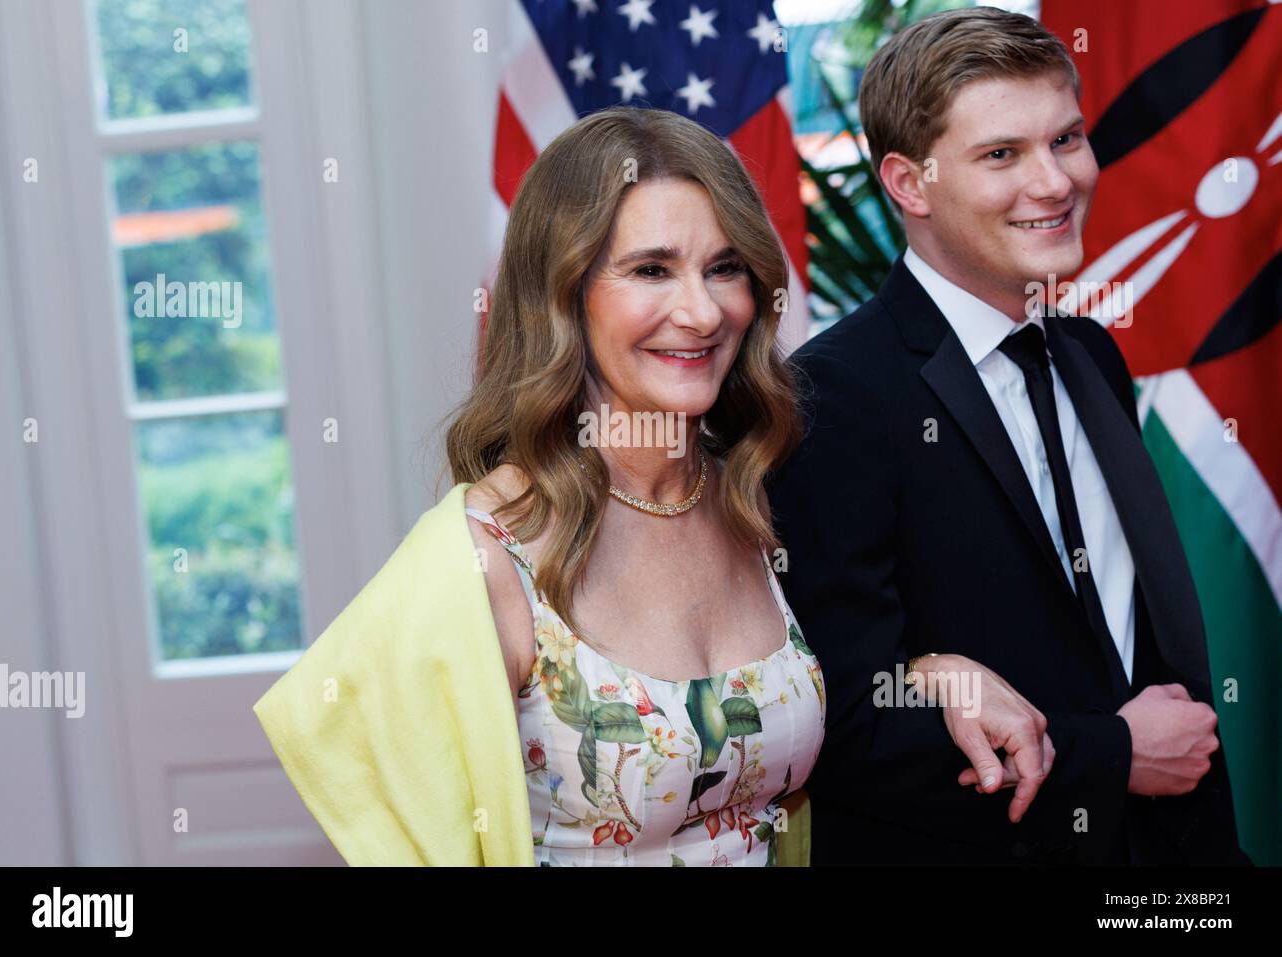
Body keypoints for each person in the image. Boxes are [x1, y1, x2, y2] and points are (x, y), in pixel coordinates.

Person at [254, 105, 1052, 866]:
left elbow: (831, 694)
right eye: (651, 270)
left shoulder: (758, 495)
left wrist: (933, 671)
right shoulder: (483, 556)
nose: (702, 311)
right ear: (563, 293)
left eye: (724, 268)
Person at [768, 7, 1249, 865]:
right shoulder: (831, 394)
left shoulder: (1091, 352)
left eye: (1066, 139)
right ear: (910, 184)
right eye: (1002, 154)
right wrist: (1112, 754)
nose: (1056, 181)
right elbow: (842, 723)